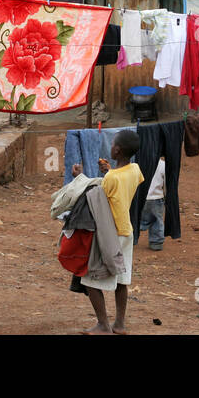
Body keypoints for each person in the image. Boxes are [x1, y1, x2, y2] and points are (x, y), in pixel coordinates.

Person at [72, 129, 144, 334]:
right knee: (122, 278)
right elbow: (120, 186)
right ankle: (119, 324)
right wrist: (109, 171)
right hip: (126, 231)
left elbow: (98, 198)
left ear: (118, 150)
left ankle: (103, 324)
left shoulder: (111, 178)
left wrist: (79, 178)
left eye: (113, 144)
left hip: (109, 233)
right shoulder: (136, 169)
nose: (110, 146)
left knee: (90, 279)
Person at [136, 156, 166, 252]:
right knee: (157, 220)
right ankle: (156, 242)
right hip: (156, 198)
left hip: (140, 197)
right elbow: (166, 183)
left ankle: (132, 237)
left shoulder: (138, 163)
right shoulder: (162, 165)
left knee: (135, 218)